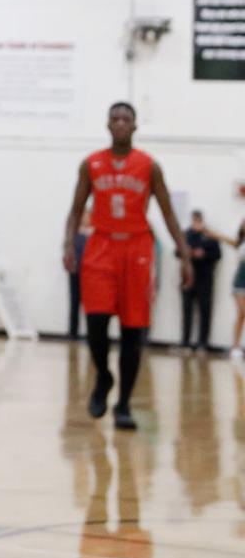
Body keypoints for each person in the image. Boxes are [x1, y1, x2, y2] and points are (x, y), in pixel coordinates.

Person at [63, 103, 193, 431]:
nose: (121, 123)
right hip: (101, 246)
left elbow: (167, 213)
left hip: (136, 248)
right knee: (95, 322)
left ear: (135, 126)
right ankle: (104, 377)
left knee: (133, 330)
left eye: (126, 119)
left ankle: (123, 405)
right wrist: (68, 244)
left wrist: (184, 255)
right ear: (107, 125)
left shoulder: (149, 166)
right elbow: (76, 209)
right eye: (115, 118)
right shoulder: (90, 164)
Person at [180, 210, 221, 354]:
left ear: (202, 220)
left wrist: (204, 254)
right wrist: (188, 252)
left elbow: (217, 255)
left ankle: (203, 344)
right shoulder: (185, 235)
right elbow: (177, 252)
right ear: (192, 220)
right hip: (188, 278)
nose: (197, 223)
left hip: (205, 279)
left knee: (205, 311)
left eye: (199, 220)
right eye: (194, 220)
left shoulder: (210, 236)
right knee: (187, 312)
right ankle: (185, 343)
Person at [68, 203, 93, 340]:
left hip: (89, 273)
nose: (85, 218)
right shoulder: (74, 233)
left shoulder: (93, 234)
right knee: (74, 302)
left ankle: (91, 334)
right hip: (75, 272)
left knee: (89, 304)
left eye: (86, 215)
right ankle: (73, 333)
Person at [229, 221, 245, 361]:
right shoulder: (240, 243)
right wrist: (208, 231)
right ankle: (235, 346)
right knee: (242, 313)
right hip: (240, 282)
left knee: (241, 315)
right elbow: (225, 239)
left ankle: (237, 346)